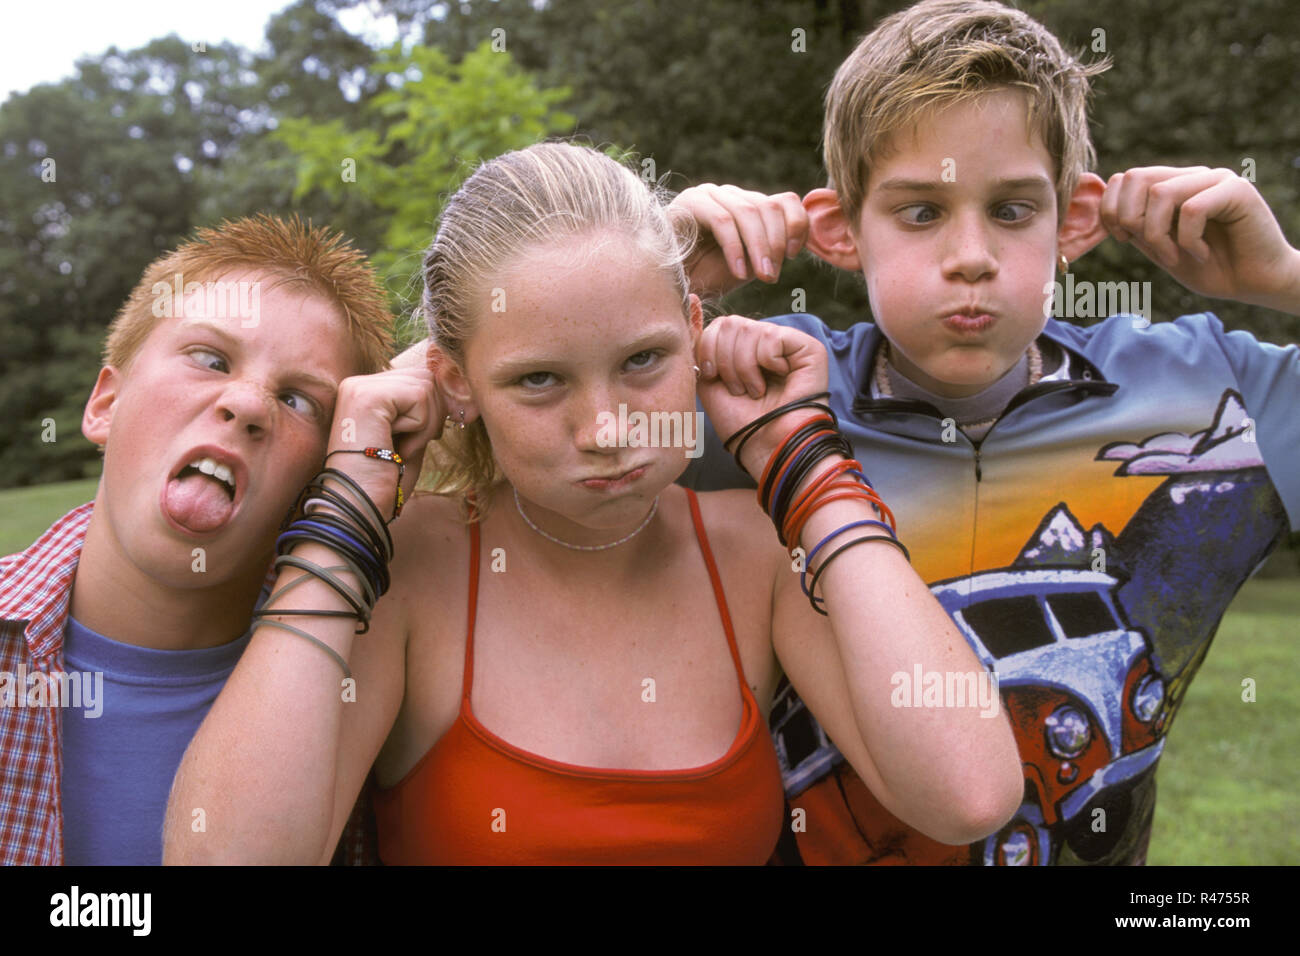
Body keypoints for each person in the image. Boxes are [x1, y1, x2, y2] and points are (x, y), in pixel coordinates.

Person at [163, 141, 1023, 865]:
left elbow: (968, 793)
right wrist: (351, 503)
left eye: (644, 361)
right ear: (455, 383)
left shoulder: (752, 550)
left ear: (695, 330)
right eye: (539, 380)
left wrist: (801, 458)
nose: (607, 429)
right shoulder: (408, 566)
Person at [674, 0, 1300, 864]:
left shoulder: (1204, 388)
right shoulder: (757, 388)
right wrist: (654, 281)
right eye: (920, 212)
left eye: (1011, 210)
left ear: (1073, 220)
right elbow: (476, 416)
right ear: (840, 230)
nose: (970, 255)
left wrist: (1285, 277)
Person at [0, 215, 397, 865]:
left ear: (323, 474)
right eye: (210, 359)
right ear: (105, 404)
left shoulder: (368, 681)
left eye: (300, 400)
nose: (247, 405)